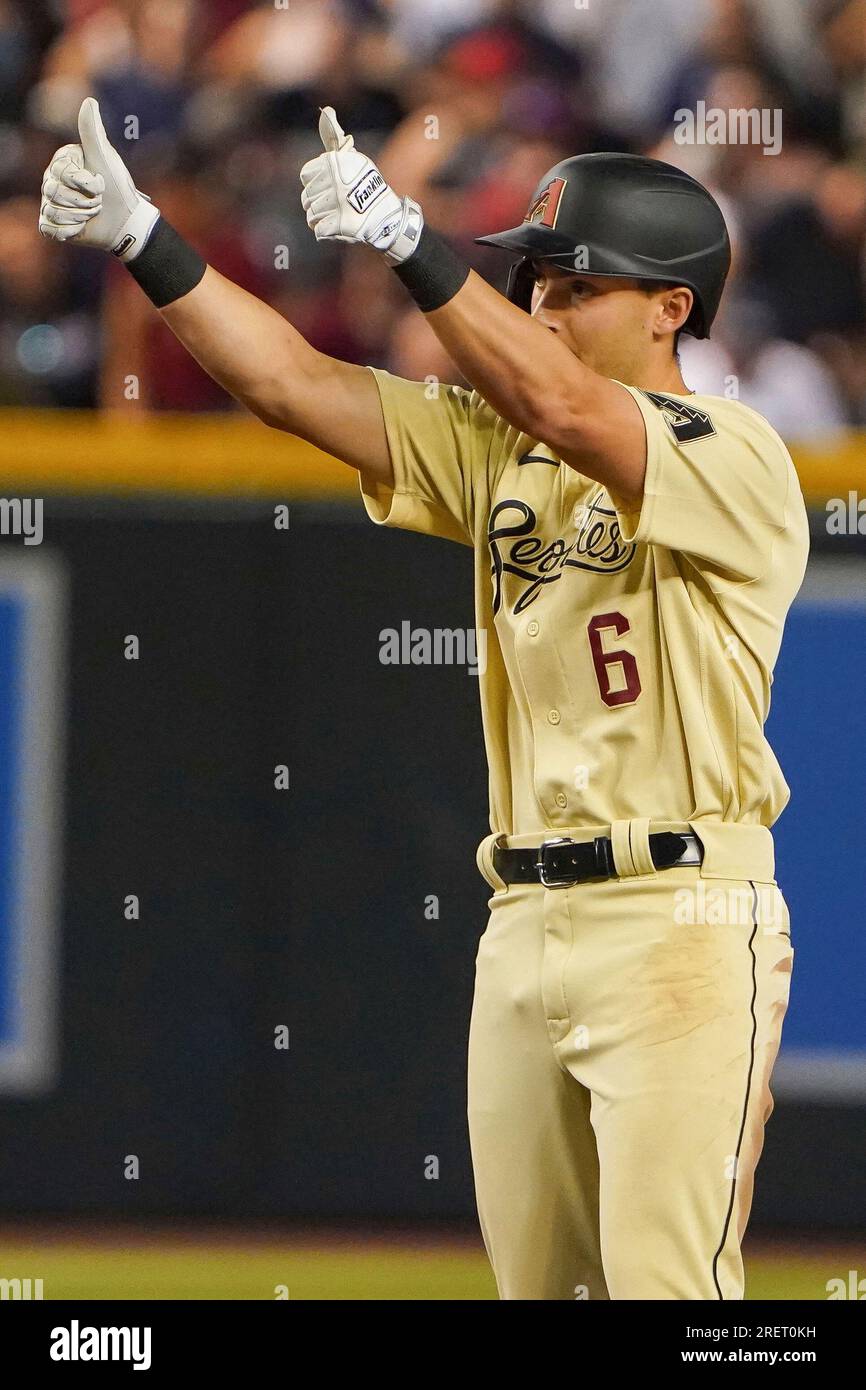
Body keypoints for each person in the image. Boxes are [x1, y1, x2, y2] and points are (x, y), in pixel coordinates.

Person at [38, 98, 809, 1300]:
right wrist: (147, 239)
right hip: (523, 915)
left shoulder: (734, 449)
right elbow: (294, 384)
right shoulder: (502, 450)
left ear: (672, 308)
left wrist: (409, 241)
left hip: (681, 914)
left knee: (670, 1296)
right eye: (535, 283)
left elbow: (563, 405)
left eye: (576, 285)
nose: (544, 305)